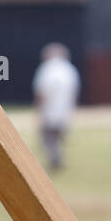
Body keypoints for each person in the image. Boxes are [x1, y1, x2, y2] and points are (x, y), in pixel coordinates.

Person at [32, 42, 80, 171]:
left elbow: (42, 91)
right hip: (65, 109)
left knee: (49, 138)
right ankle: (58, 159)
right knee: (59, 137)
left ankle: (55, 160)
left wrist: (39, 110)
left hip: (49, 109)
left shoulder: (46, 69)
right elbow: (74, 91)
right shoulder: (69, 69)